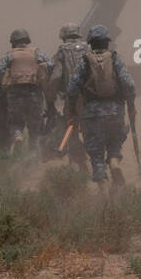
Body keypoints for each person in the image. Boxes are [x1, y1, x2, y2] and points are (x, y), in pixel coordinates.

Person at [65, 25, 136, 186]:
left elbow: (72, 89)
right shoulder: (115, 59)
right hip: (115, 112)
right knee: (114, 143)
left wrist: (70, 111)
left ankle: (102, 192)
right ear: (107, 42)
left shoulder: (85, 62)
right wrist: (131, 106)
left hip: (91, 115)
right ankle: (114, 162)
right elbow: (129, 85)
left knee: (96, 154)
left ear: (90, 43)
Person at [0, 29, 51, 154]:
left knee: (15, 122)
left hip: (15, 93)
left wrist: (1, 85)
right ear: (27, 40)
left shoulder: (10, 54)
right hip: (34, 93)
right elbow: (50, 65)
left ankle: (18, 135)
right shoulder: (37, 52)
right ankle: (32, 159)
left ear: (13, 42)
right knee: (34, 128)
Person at [47, 22, 90, 169]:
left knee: (72, 130)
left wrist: (50, 96)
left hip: (72, 99)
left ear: (64, 36)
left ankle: (79, 162)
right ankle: (97, 160)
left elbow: (56, 76)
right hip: (91, 100)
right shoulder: (89, 48)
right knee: (90, 130)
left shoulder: (63, 51)